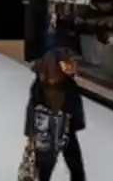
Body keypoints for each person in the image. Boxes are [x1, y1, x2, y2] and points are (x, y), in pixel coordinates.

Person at [26, 49, 86, 181]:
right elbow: (32, 108)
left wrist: (74, 121)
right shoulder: (39, 86)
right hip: (46, 128)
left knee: (74, 162)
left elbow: (75, 105)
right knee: (44, 165)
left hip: (65, 126)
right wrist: (31, 131)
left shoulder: (68, 86)